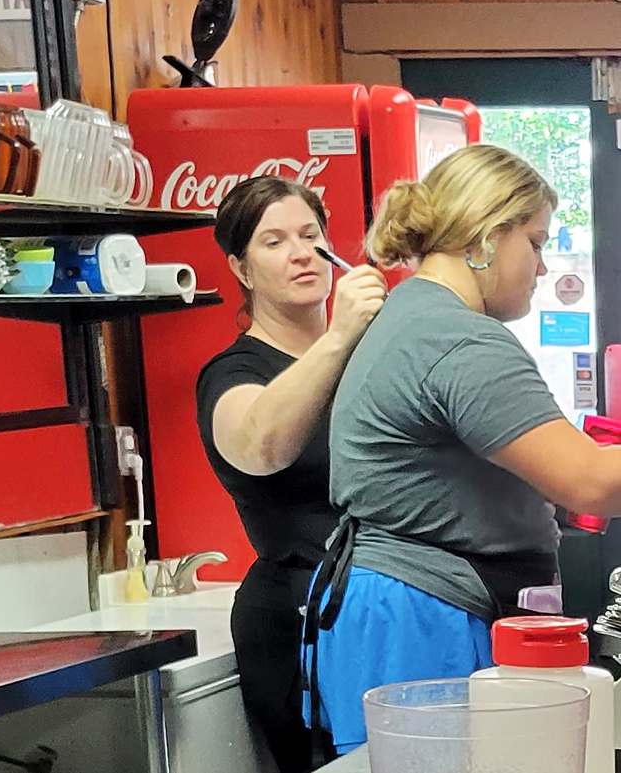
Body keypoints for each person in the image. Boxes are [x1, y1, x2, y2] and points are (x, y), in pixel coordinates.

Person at [303, 143, 621, 756]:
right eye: (534, 242)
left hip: (396, 605)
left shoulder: (409, 315)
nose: (545, 266)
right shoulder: (458, 340)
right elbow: (589, 482)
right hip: (429, 614)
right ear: (484, 235)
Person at [195, 175, 387, 773]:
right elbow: (261, 446)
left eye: (311, 235)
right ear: (242, 269)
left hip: (381, 609)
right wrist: (338, 337)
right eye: (274, 242)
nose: (302, 252)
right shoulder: (232, 373)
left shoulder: (371, 353)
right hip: (300, 622)